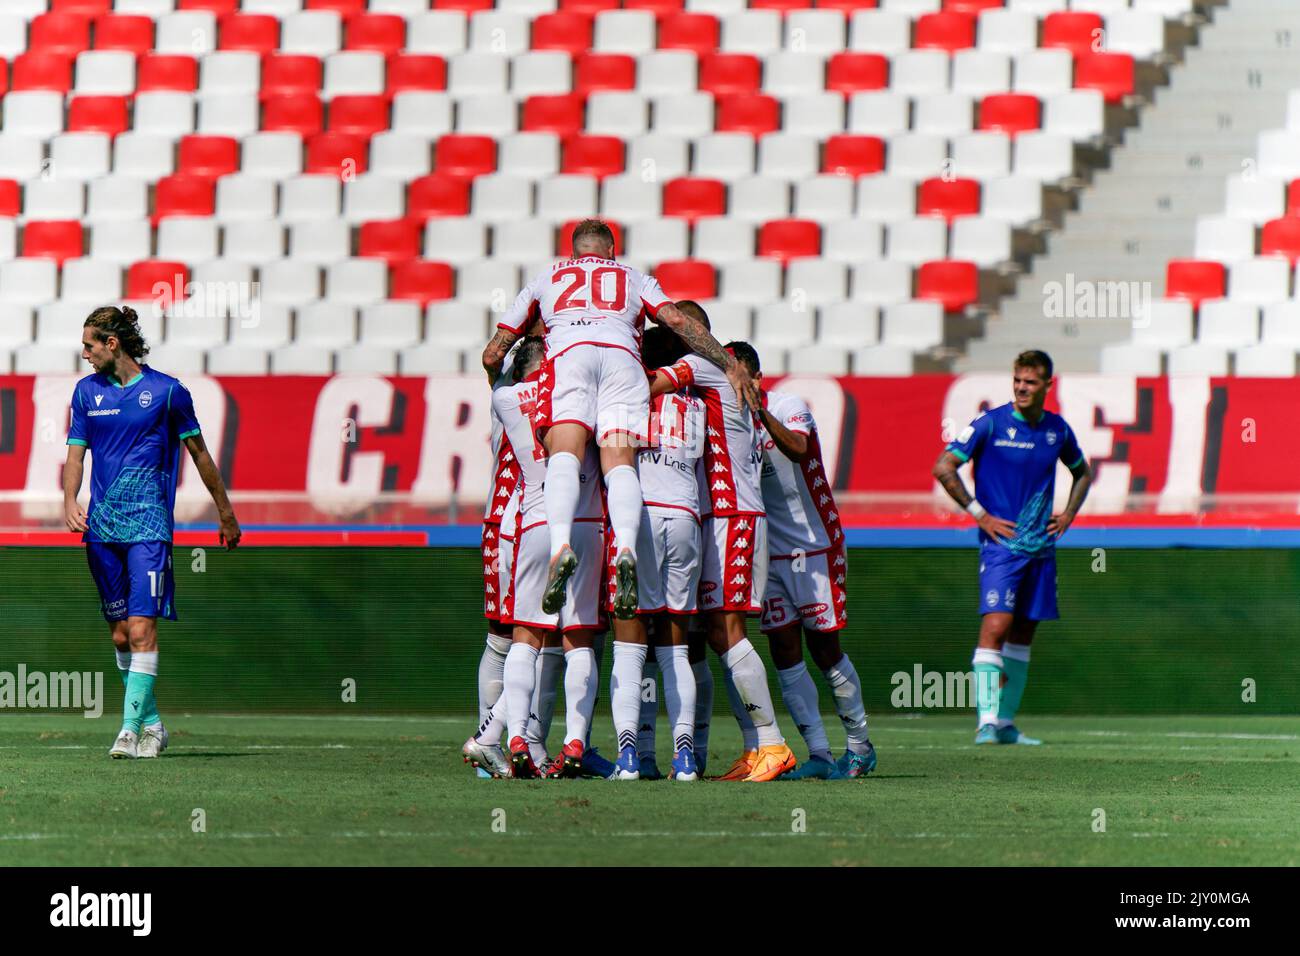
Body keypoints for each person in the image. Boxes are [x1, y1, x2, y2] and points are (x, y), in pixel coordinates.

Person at [481, 220, 759, 626]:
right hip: (623, 363)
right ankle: (627, 546)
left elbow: (493, 354)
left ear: (574, 253)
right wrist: (729, 363)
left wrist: (496, 380)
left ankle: (561, 547)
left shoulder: (546, 279)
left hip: (571, 359)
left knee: (566, 452)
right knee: (620, 461)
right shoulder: (633, 277)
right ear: (612, 250)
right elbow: (678, 322)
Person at [63, 306, 241, 759]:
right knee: (121, 635)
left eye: (89, 345)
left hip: (149, 528)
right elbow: (76, 456)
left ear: (112, 344)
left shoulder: (167, 393)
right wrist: (69, 500)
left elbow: (200, 454)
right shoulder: (86, 393)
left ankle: (127, 730)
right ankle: (153, 723)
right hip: (101, 529)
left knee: (143, 627)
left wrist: (225, 512)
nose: (83, 353)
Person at [649, 319, 796, 782]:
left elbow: (648, 384)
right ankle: (756, 748)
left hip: (732, 514)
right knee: (715, 634)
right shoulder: (723, 372)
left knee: (728, 630)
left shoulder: (703, 363)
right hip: (721, 515)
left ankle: (772, 742)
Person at [932, 350, 1092, 745]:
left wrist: (1069, 514)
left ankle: (1005, 724)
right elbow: (943, 466)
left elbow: (1082, 473)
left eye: (1031, 382)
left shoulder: (1057, 430)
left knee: (1023, 634)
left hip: (1041, 548)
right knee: (997, 627)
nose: (1021, 387)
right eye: (1018, 380)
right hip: (1001, 547)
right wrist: (979, 514)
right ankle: (985, 722)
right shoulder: (991, 423)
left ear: (1046, 386)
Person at [754, 370, 876, 779]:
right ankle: (820, 755)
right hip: (766, 554)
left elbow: (798, 449)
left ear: (754, 377)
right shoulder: (726, 420)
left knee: (825, 650)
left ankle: (859, 748)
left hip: (814, 546)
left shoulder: (787, 406)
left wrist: (759, 412)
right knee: (785, 655)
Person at [607, 327, 706, 782]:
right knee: (675, 647)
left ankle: (629, 757)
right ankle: (684, 757)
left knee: (629, 646)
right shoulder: (698, 404)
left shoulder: (627, 396)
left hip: (640, 517)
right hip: (686, 517)